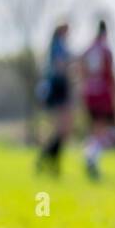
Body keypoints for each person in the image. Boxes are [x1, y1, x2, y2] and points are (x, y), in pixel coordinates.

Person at [80, 18, 115, 180]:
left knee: (96, 129)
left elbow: (82, 71)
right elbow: (110, 74)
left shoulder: (88, 49)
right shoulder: (105, 50)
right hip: (102, 93)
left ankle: (90, 155)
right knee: (105, 130)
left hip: (89, 92)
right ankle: (91, 157)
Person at [34, 22, 74, 176]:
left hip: (59, 87)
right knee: (61, 128)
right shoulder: (58, 45)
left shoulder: (59, 45)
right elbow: (60, 66)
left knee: (61, 130)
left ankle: (50, 161)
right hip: (58, 87)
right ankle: (47, 159)